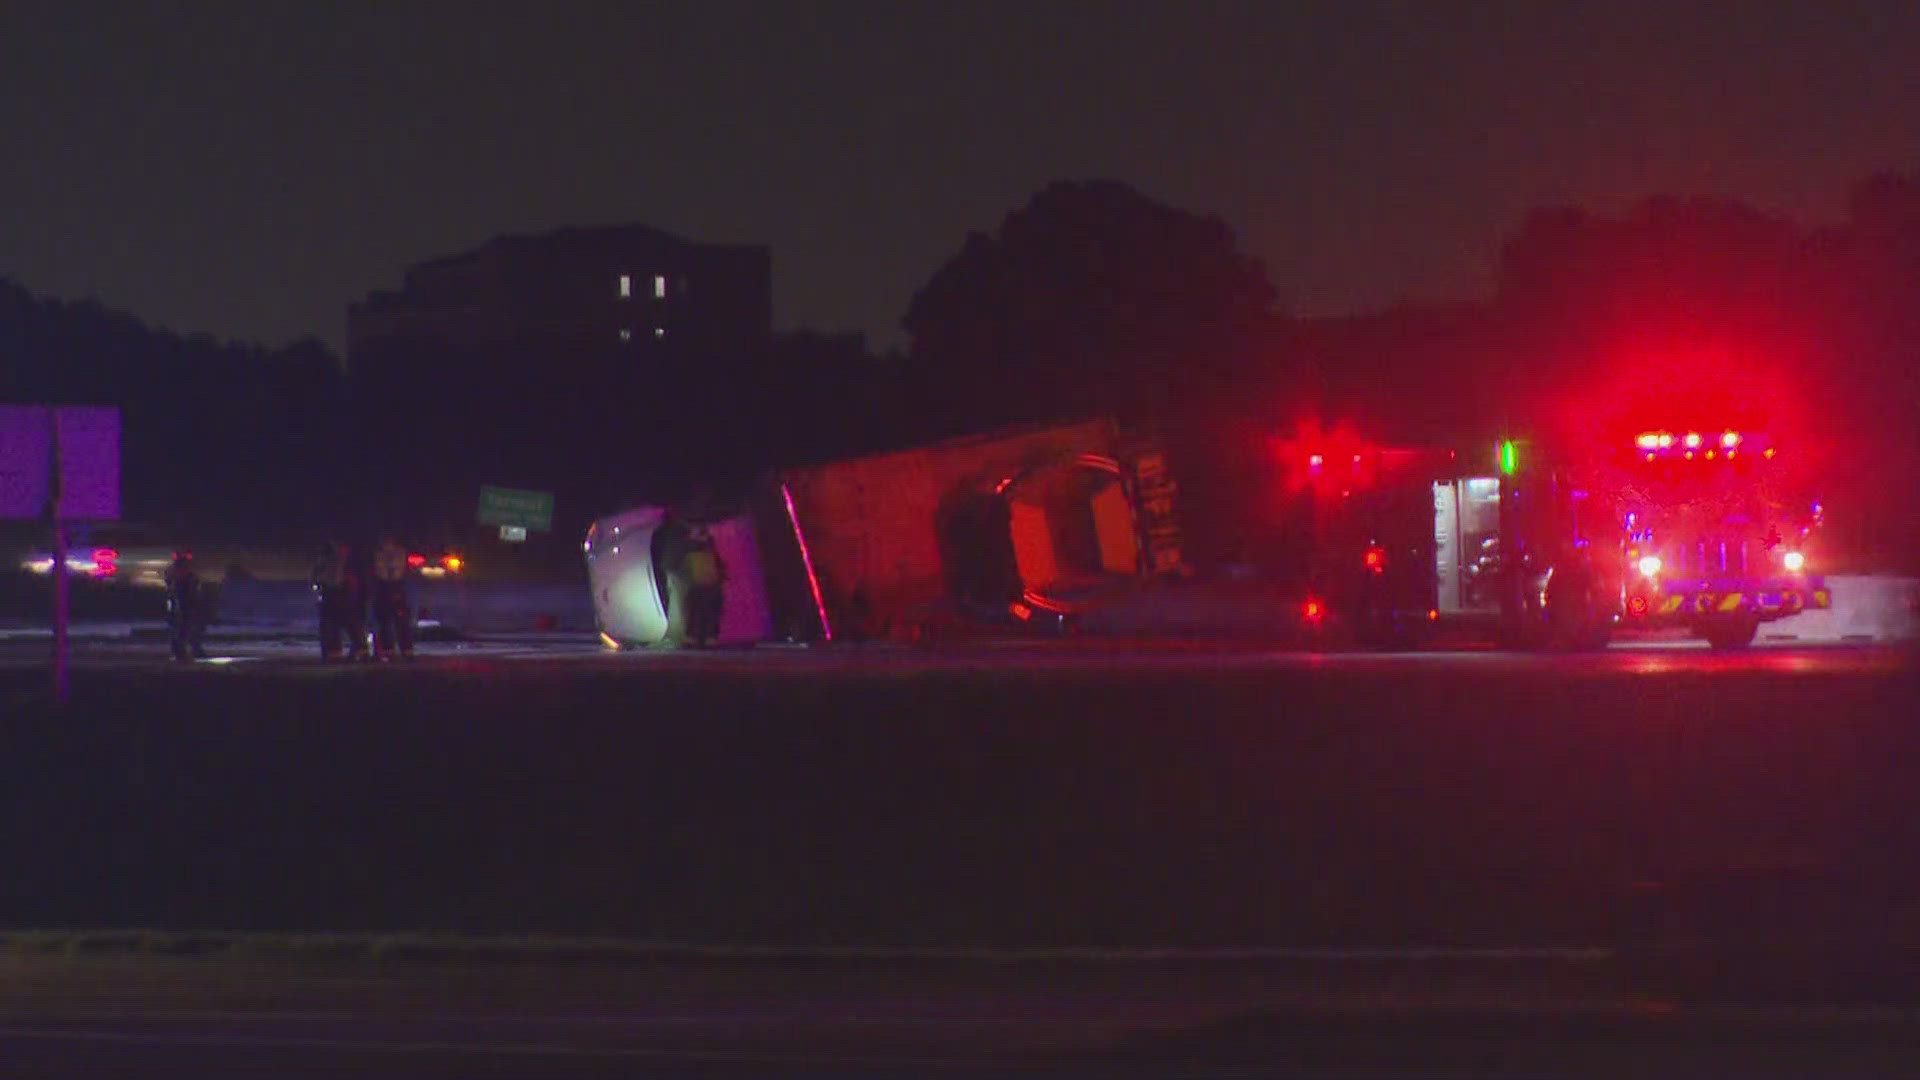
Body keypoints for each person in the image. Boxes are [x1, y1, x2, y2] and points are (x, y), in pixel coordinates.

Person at [370, 536, 414, 660]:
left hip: (393, 587)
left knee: (395, 620)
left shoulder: (395, 553)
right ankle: (392, 649)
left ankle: (401, 649)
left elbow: (388, 570)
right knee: (386, 621)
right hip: (386, 587)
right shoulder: (384, 553)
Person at [681, 522, 725, 647]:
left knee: (704, 610)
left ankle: (701, 636)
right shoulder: (696, 553)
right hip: (701, 584)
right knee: (701, 610)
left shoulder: (703, 553)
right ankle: (700, 636)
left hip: (705, 584)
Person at [163, 548, 208, 661]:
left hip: (184, 605)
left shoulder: (178, 572)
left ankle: (186, 649)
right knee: (185, 628)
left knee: (186, 628)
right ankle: (184, 650)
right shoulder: (181, 573)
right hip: (183, 605)